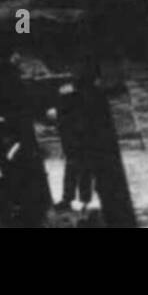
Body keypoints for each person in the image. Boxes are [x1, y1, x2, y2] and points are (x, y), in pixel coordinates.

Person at [54, 71, 98, 212]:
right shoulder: (76, 97)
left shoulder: (73, 97)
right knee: (77, 168)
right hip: (74, 136)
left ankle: (77, 199)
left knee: (79, 168)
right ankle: (78, 199)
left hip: (78, 136)